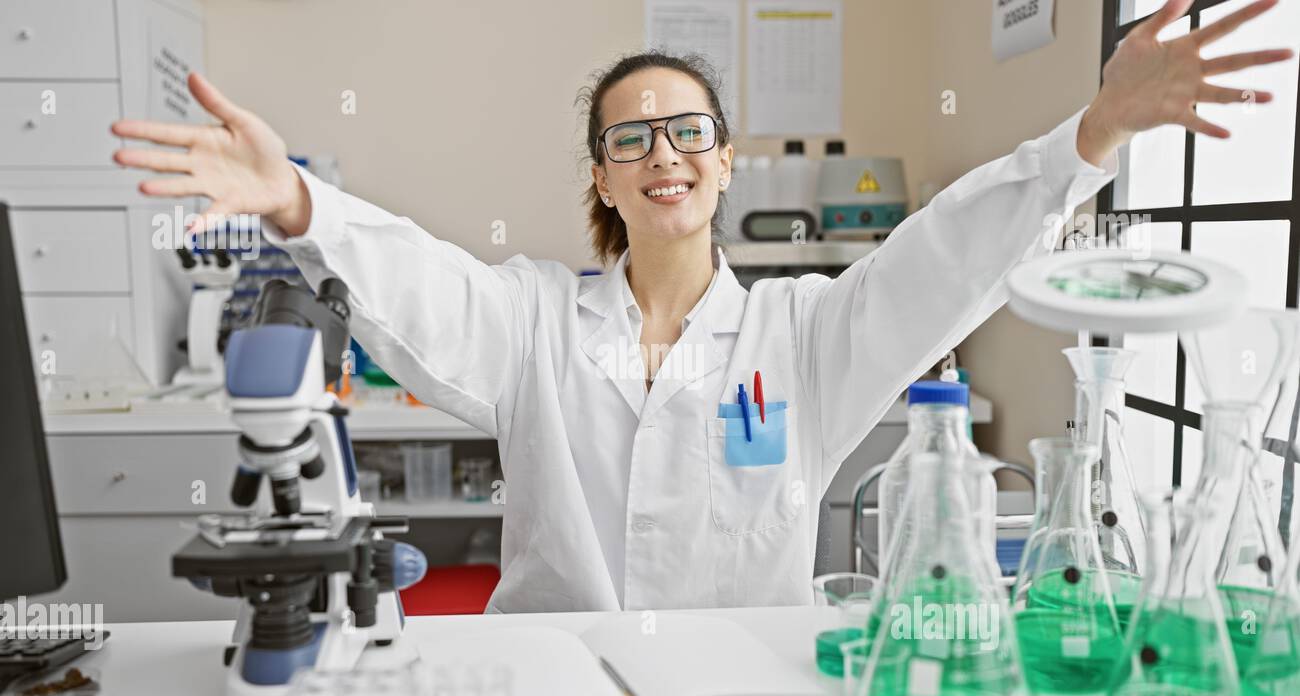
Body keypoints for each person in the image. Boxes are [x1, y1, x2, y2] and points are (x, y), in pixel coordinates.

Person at [112, 0, 1290, 613]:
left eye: (687, 132)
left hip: (745, 695)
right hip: (550, 688)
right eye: (631, 137)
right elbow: (420, 276)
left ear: (725, 162)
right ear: (603, 176)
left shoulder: (805, 334)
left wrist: (1087, 139)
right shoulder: (532, 321)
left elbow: (943, 255)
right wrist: (301, 203)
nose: (662, 152)